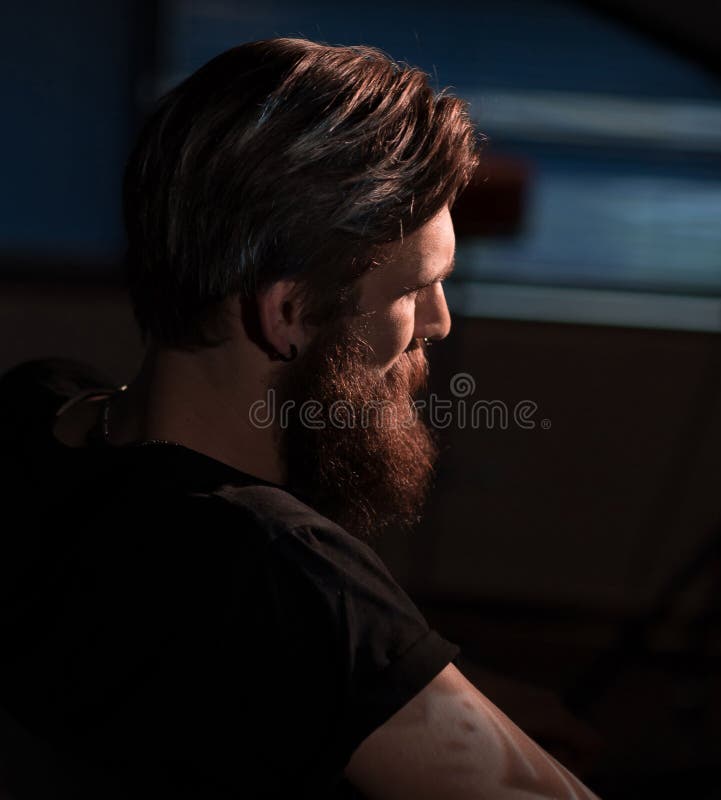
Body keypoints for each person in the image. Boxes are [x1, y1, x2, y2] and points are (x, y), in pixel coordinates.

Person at [0, 38, 601, 799]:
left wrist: (438, 678)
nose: (438, 323)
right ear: (287, 313)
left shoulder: (35, 407)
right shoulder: (275, 568)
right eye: (416, 289)